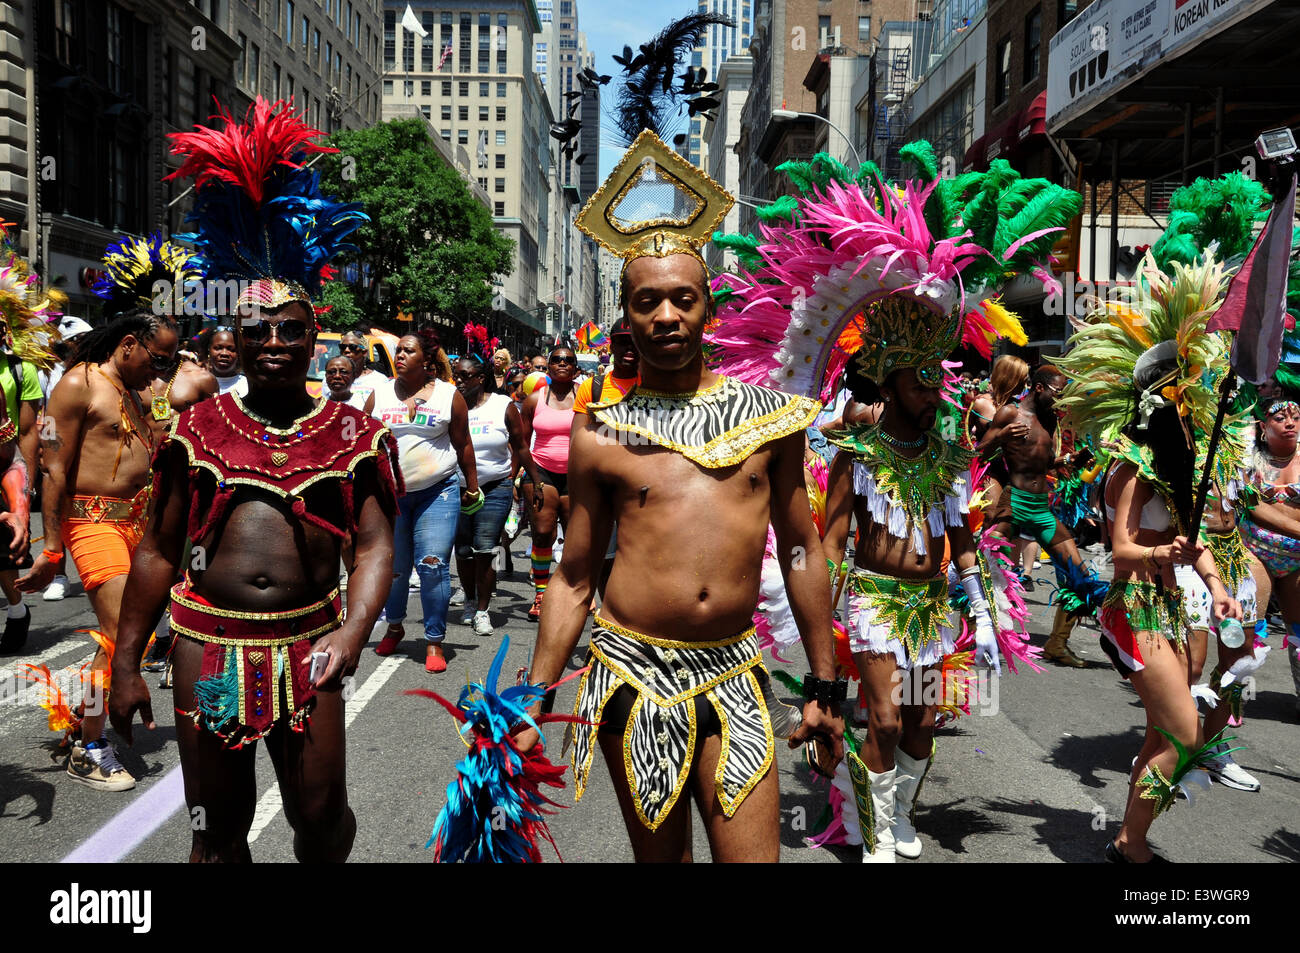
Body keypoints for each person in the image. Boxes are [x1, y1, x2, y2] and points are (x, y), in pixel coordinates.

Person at [517, 129, 840, 862]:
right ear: (625, 316)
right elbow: (573, 576)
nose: (667, 316)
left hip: (733, 673)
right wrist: (531, 698)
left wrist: (825, 682)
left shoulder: (769, 418)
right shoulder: (598, 432)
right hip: (632, 675)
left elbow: (800, 549)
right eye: (648, 302)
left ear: (708, 310)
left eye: (683, 300)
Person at [109, 97, 399, 862]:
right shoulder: (197, 430)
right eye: (256, 330)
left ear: (315, 335)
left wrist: (352, 629)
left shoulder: (354, 434)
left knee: (322, 818)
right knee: (215, 832)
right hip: (207, 647)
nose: (273, 342)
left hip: (310, 647)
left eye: (290, 329)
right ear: (235, 339)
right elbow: (158, 549)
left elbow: (372, 549)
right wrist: (126, 662)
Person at [1059, 253, 1243, 862]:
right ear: (1158, 407)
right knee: (1186, 733)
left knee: (1162, 731)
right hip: (1131, 606)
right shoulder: (1132, 470)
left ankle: (1128, 840)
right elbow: (1121, 552)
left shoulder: (1178, 473)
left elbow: (1199, 541)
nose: (1191, 414)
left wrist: (1215, 586)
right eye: (1182, 403)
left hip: (1169, 603)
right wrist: (1169, 551)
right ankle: (1130, 845)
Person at [366, 330, 479, 673]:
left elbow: (463, 444)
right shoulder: (380, 394)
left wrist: (472, 487)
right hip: (393, 496)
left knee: (432, 566)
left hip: (438, 492)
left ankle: (433, 640)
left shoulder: (449, 396)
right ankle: (396, 626)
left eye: (407, 351)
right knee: (397, 570)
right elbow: (365, 445)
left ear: (426, 361)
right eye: (398, 350)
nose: (399, 355)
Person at [980, 364, 1100, 666]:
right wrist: (1003, 435)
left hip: (1041, 507)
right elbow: (979, 451)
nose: (1060, 401)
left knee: (1080, 576)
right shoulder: (1009, 414)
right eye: (1057, 393)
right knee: (986, 567)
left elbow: (1043, 463)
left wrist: (1069, 460)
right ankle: (975, 637)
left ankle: (1057, 644)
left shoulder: (1049, 419)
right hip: (1014, 501)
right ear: (1039, 388)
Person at [451, 356, 524, 635]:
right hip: (457, 488)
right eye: (456, 376)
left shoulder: (502, 405)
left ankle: (483, 610)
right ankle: (469, 601)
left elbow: (519, 444)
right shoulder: (453, 405)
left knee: (487, 548)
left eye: (465, 376)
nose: (459, 381)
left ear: (480, 378)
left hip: (494, 488)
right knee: (463, 551)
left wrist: (511, 476)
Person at [571, 318, 640, 600]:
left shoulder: (659, 385)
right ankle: (609, 615)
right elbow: (578, 444)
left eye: (635, 342)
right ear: (612, 345)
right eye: (623, 341)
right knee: (606, 559)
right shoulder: (593, 388)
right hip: (605, 488)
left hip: (646, 489)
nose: (630, 349)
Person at [1241, 396, 1300, 721]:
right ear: (1263, 427)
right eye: (1280, 417)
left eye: (1295, 417)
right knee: (1250, 625)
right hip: (1256, 550)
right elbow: (1250, 503)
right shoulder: (1251, 459)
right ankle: (1235, 696)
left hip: (1297, 559)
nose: (1289, 422)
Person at [518, 344, 578, 619]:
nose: (562, 363)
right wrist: (523, 475)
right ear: (549, 367)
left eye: (568, 360)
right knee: (543, 532)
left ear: (575, 366)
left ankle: (574, 590)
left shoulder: (586, 397)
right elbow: (521, 442)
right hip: (541, 472)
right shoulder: (534, 400)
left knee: (575, 537)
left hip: (577, 475)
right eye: (557, 360)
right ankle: (541, 592)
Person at [340, 331, 389, 408]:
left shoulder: (380, 380)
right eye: (342, 347)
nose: (346, 350)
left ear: (364, 352)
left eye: (352, 347)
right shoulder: (330, 379)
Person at [205, 327, 247, 396]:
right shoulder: (197, 382)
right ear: (209, 350)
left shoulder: (247, 385)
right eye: (218, 348)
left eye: (231, 349)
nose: (224, 353)